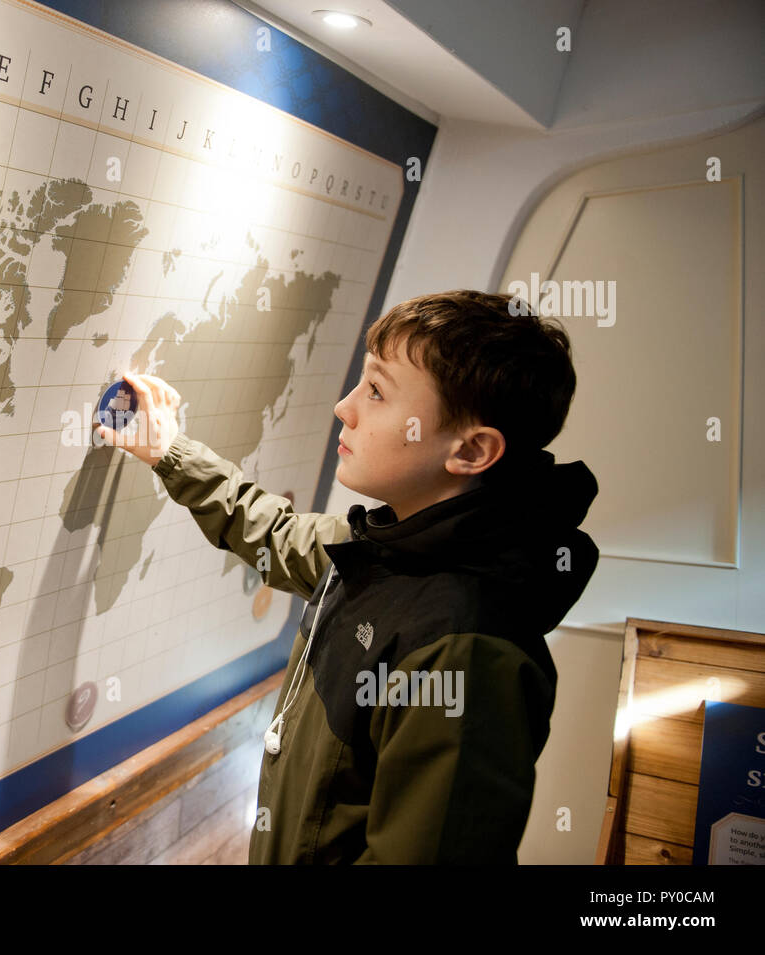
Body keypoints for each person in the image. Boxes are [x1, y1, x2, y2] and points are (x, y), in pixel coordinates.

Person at [91, 289, 600, 864]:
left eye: (378, 391)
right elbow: (276, 535)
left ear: (473, 450)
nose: (346, 406)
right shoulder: (387, 550)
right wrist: (168, 451)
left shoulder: (466, 652)